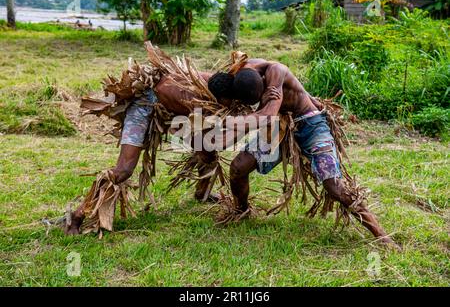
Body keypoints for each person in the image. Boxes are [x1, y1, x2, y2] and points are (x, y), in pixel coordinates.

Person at [207, 59, 397, 247]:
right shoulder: (241, 71)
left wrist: (227, 123)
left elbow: (266, 115)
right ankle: (241, 211)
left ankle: (382, 236)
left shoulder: (276, 72)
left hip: (310, 126)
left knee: (334, 186)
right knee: (239, 166)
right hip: (280, 127)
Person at [65, 72, 218, 235]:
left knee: (208, 149)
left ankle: (202, 192)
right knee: (124, 170)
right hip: (144, 105)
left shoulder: (217, 85)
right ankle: (76, 217)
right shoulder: (201, 100)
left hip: (172, 108)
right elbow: (200, 138)